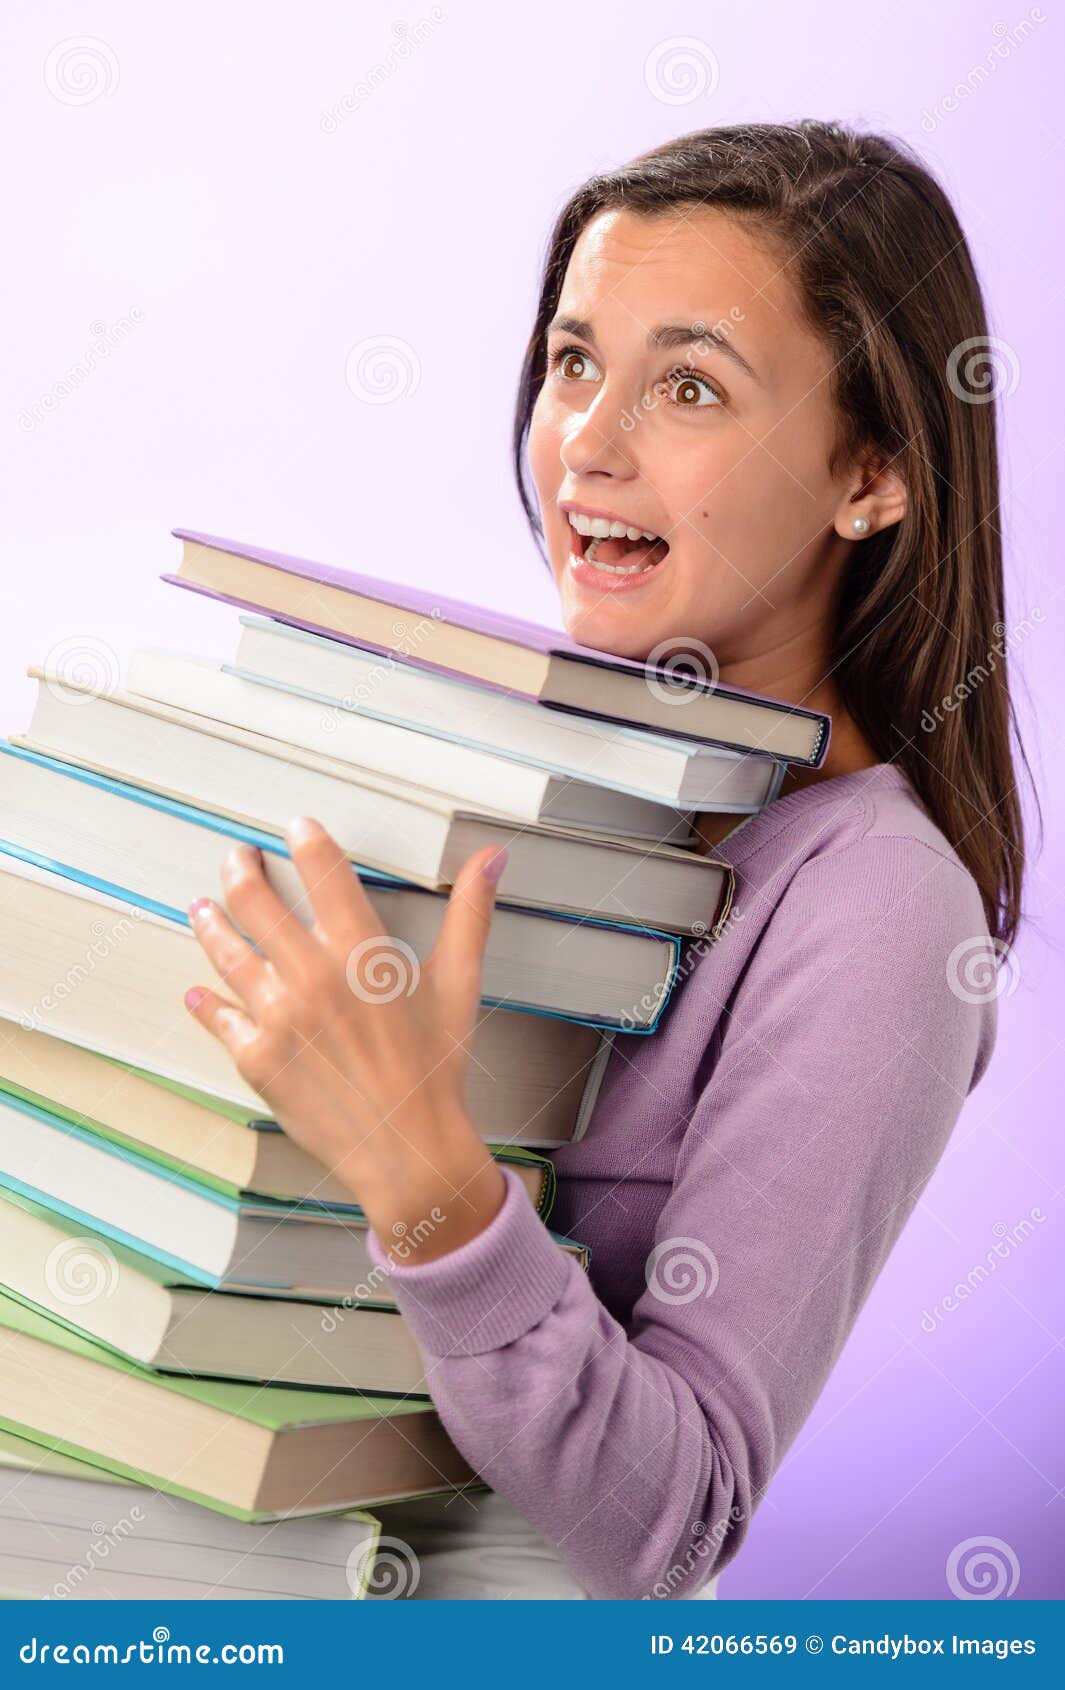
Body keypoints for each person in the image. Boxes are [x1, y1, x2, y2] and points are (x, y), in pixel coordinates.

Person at [182, 122, 1027, 1600]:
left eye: (688, 386)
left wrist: (427, 1176)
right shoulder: (507, 776)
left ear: (873, 474)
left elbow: (670, 1519)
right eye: (574, 363)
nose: (587, 441)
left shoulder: (881, 905)